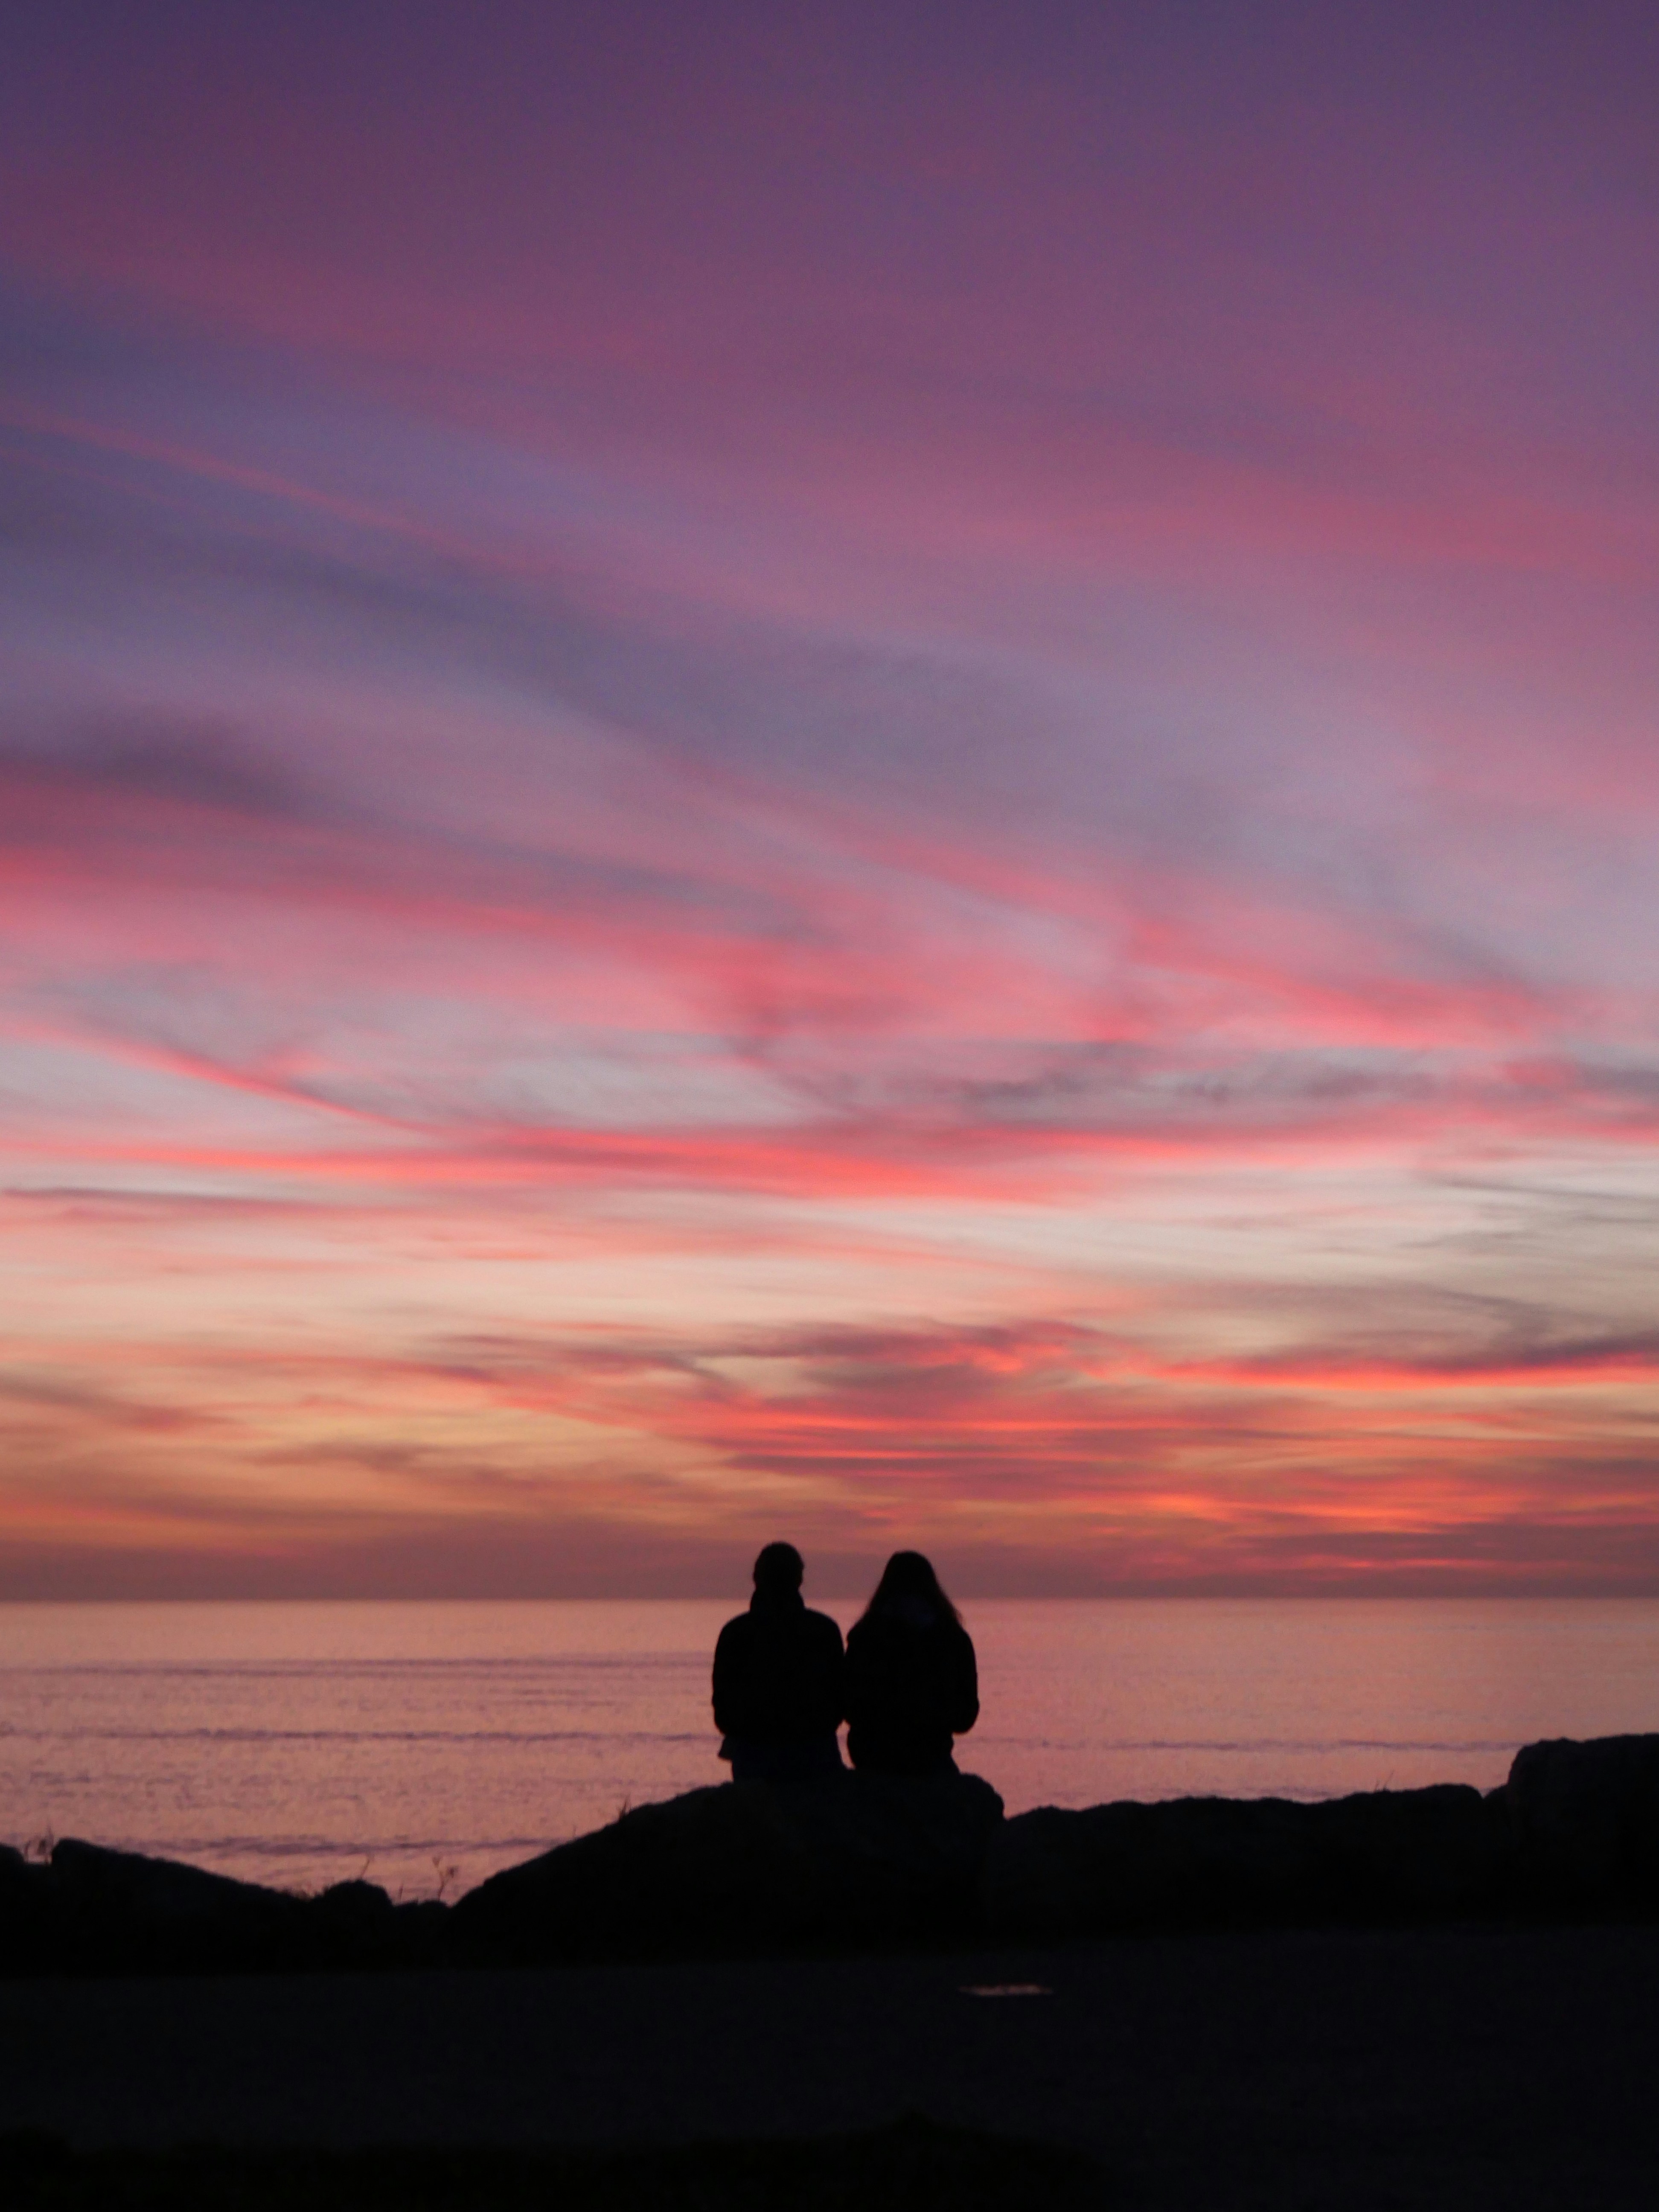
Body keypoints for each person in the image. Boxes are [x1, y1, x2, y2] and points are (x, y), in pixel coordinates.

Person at [712, 1542, 845, 1783]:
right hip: (815, 1754)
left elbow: (723, 1708)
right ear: (800, 1579)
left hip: (754, 1757)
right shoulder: (824, 1630)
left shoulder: (736, 1633)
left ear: (755, 1578)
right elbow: (840, 1699)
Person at [844, 1551, 978, 1776]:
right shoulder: (953, 1638)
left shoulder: (864, 1635)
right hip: (930, 1758)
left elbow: (849, 1706)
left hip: (872, 1757)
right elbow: (965, 1717)